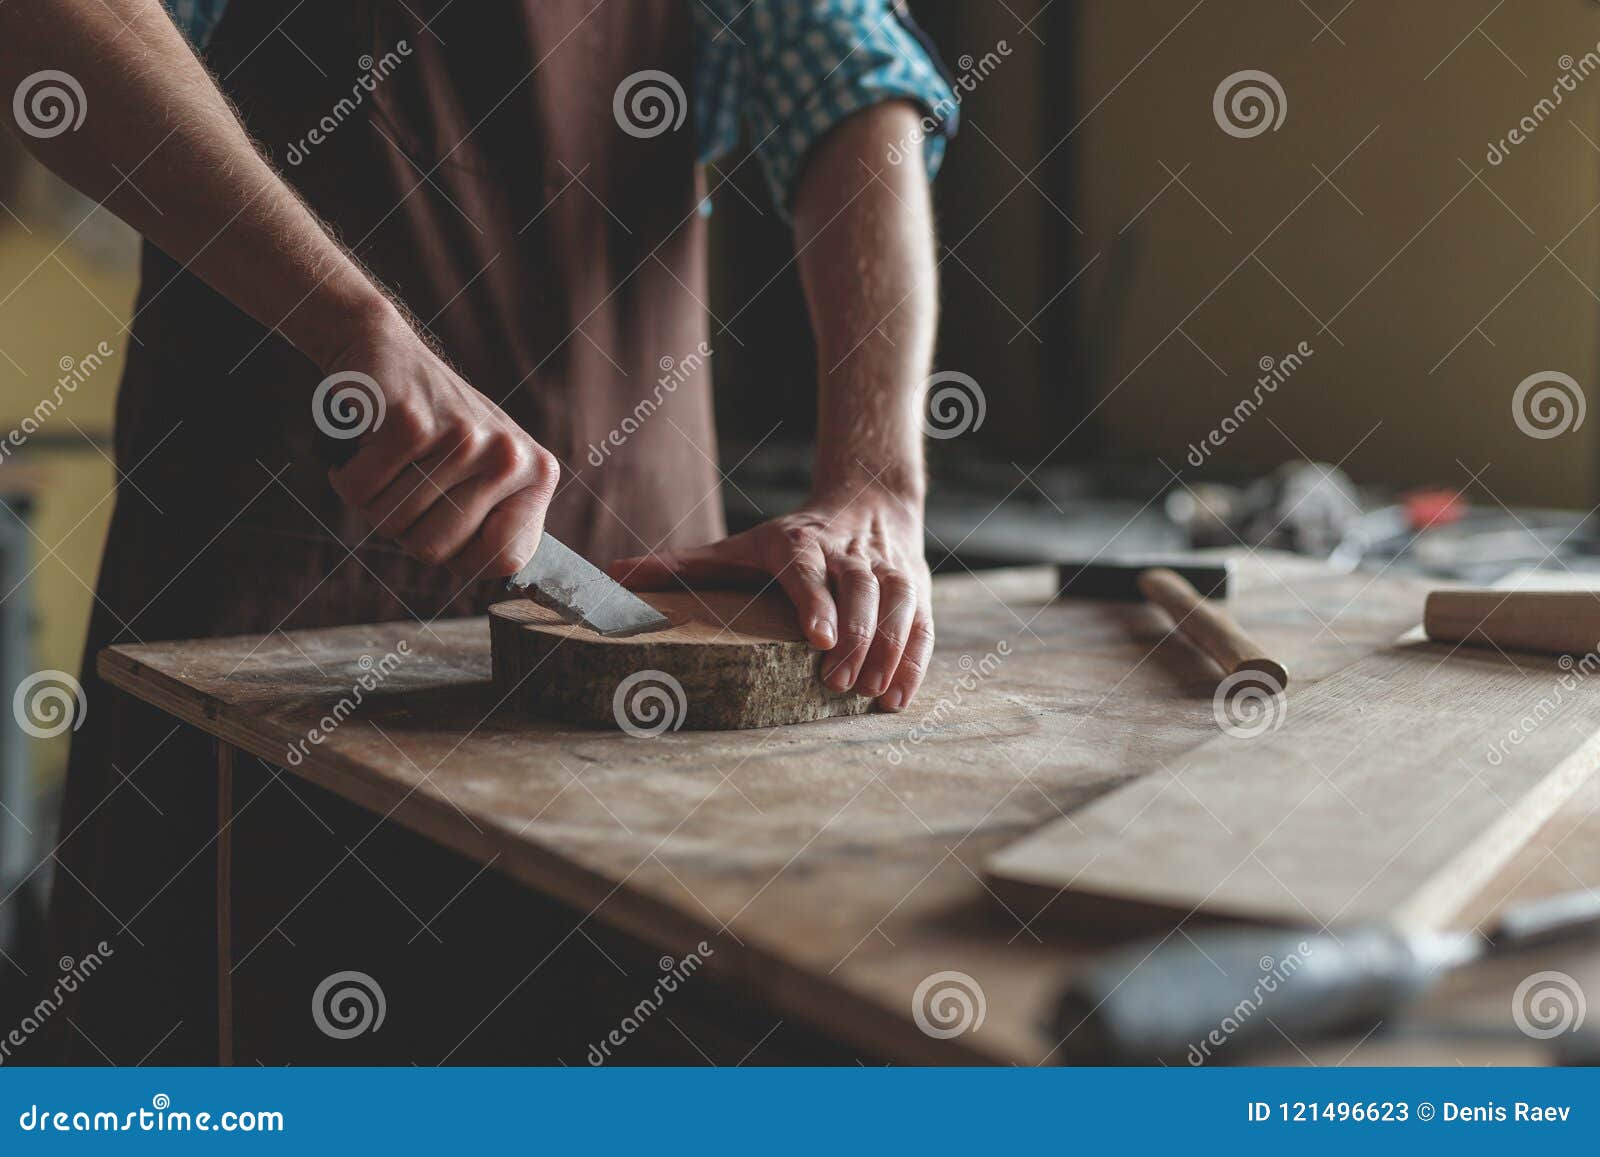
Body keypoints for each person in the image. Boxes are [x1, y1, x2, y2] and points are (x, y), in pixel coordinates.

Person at [1, 0, 954, 1062]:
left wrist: (876, 480)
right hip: (265, 619)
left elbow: (851, 81)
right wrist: (344, 320)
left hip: (646, 618)